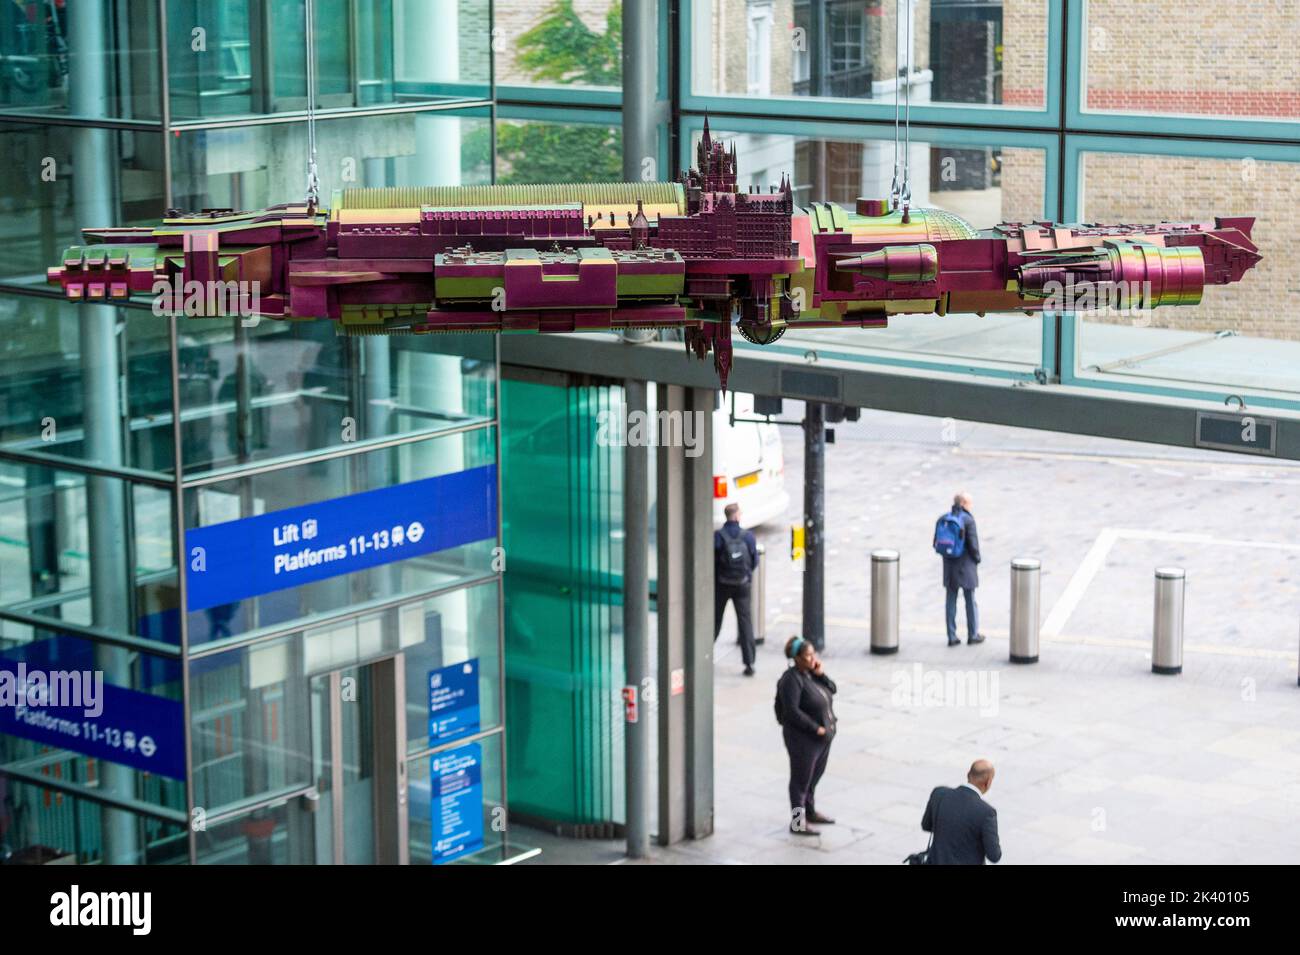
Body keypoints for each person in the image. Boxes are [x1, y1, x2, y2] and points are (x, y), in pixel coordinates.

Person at [776, 636, 837, 836]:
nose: (812, 659)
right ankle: (797, 822)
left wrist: (821, 674)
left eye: (813, 654)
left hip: (822, 740)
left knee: (813, 778)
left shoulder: (812, 674)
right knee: (800, 782)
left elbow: (832, 690)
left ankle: (809, 812)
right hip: (804, 740)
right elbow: (791, 712)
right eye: (808, 655)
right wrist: (815, 728)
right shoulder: (790, 680)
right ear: (797, 658)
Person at [920, 759, 1002, 865]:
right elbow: (994, 856)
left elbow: (926, 825)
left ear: (968, 774)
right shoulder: (986, 812)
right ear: (988, 782)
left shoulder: (939, 793)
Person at [714, 502, 759, 675]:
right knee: (745, 622)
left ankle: (705, 653)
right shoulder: (748, 536)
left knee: (716, 619)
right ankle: (749, 663)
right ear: (737, 516)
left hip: (722, 585)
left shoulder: (718, 536)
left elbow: (714, 560)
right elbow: (754, 559)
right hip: (742, 585)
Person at [936, 491, 983, 646]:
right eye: (970, 502)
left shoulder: (943, 519)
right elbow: (973, 544)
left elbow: (937, 542)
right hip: (966, 565)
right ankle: (973, 634)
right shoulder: (968, 520)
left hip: (950, 565)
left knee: (951, 600)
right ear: (963, 503)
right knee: (970, 600)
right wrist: (977, 559)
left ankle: (952, 636)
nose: (972, 505)